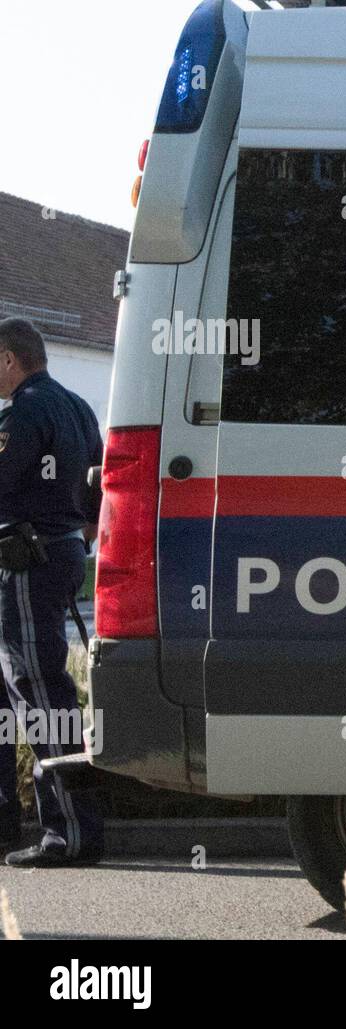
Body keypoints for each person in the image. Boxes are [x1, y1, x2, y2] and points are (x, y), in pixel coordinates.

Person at [0, 317, 104, 867]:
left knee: (37, 686)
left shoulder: (25, 411)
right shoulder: (79, 406)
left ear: (10, 360)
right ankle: (16, 824)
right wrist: (76, 532)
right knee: (21, 685)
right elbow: (100, 485)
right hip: (60, 553)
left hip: (26, 558)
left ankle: (69, 831)